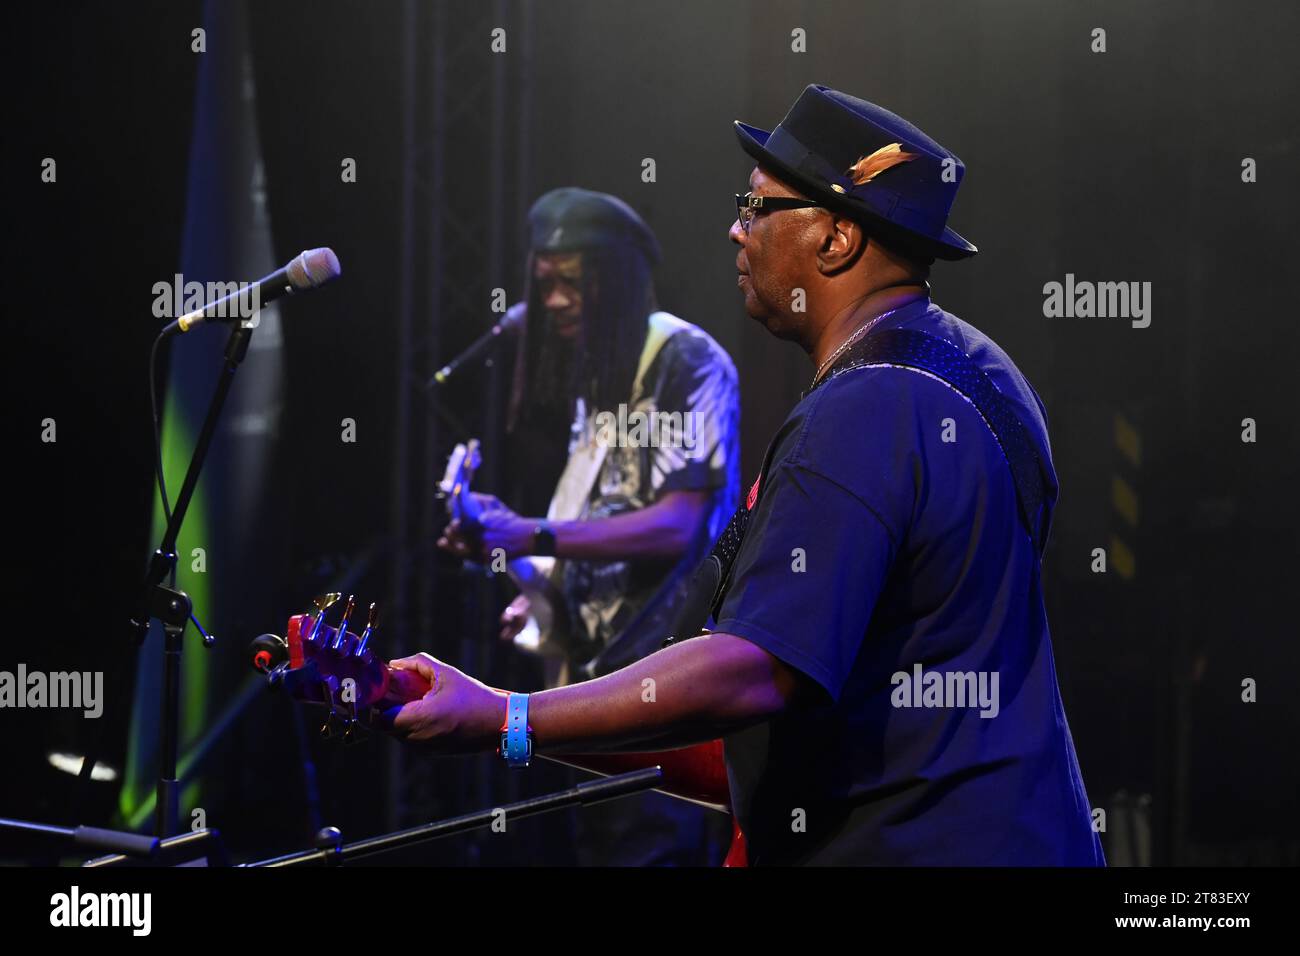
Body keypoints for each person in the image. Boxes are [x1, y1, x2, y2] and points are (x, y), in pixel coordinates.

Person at [402, 87, 1104, 866]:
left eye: (757, 206)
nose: (735, 228)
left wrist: (509, 715)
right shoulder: (990, 376)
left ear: (835, 239)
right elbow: (776, 731)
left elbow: (752, 673)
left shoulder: (862, 408)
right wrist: (530, 724)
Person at [440, 187, 740, 865]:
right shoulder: (599, 378)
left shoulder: (684, 362)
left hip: (661, 694)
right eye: (543, 285)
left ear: (617, 278)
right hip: (585, 692)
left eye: (570, 283)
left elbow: (676, 527)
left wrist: (530, 535)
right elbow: (591, 532)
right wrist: (521, 571)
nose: (551, 303)